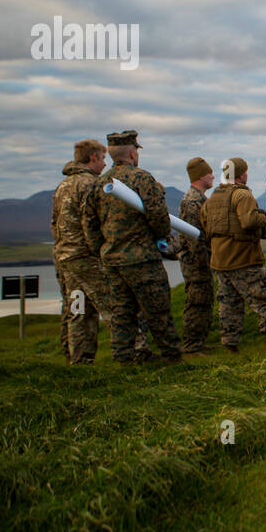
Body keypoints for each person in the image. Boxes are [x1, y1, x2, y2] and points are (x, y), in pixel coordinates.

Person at [82, 130, 182, 362]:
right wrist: (160, 238)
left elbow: (89, 225)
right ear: (132, 153)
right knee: (157, 309)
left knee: (121, 311)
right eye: (136, 150)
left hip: (113, 260)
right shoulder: (142, 179)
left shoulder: (99, 184)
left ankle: (123, 357)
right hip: (142, 259)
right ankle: (172, 356)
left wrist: (104, 249)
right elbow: (159, 217)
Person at [202, 156, 266, 352]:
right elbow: (249, 221)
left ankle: (230, 345)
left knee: (229, 305)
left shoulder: (213, 197)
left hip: (220, 261)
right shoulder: (242, 195)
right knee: (265, 300)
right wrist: (263, 217)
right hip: (243, 259)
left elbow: (205, 223)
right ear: (242, 174)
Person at [52, 138, 110, 364]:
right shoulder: (90, 184)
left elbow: (54, 223)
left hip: (66, 260)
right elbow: (93, 223)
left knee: (78, 309)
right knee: (113, 305)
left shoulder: (63, 186)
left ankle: (78, 359)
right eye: (102, 158)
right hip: (87, 259)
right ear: (93, 157)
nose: (104, 164)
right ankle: (130, 353)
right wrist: (101, 250)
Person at [178, 157, 215, 354]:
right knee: (197, 301)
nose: (213, 177)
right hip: (196, 261)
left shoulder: (198, 199)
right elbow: (193, 238)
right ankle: (192, 345)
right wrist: (203, 261)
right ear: (201, 176)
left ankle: (199, 342)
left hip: (200, 258)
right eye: (209, 173)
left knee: (204, 300)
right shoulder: (193, 202)